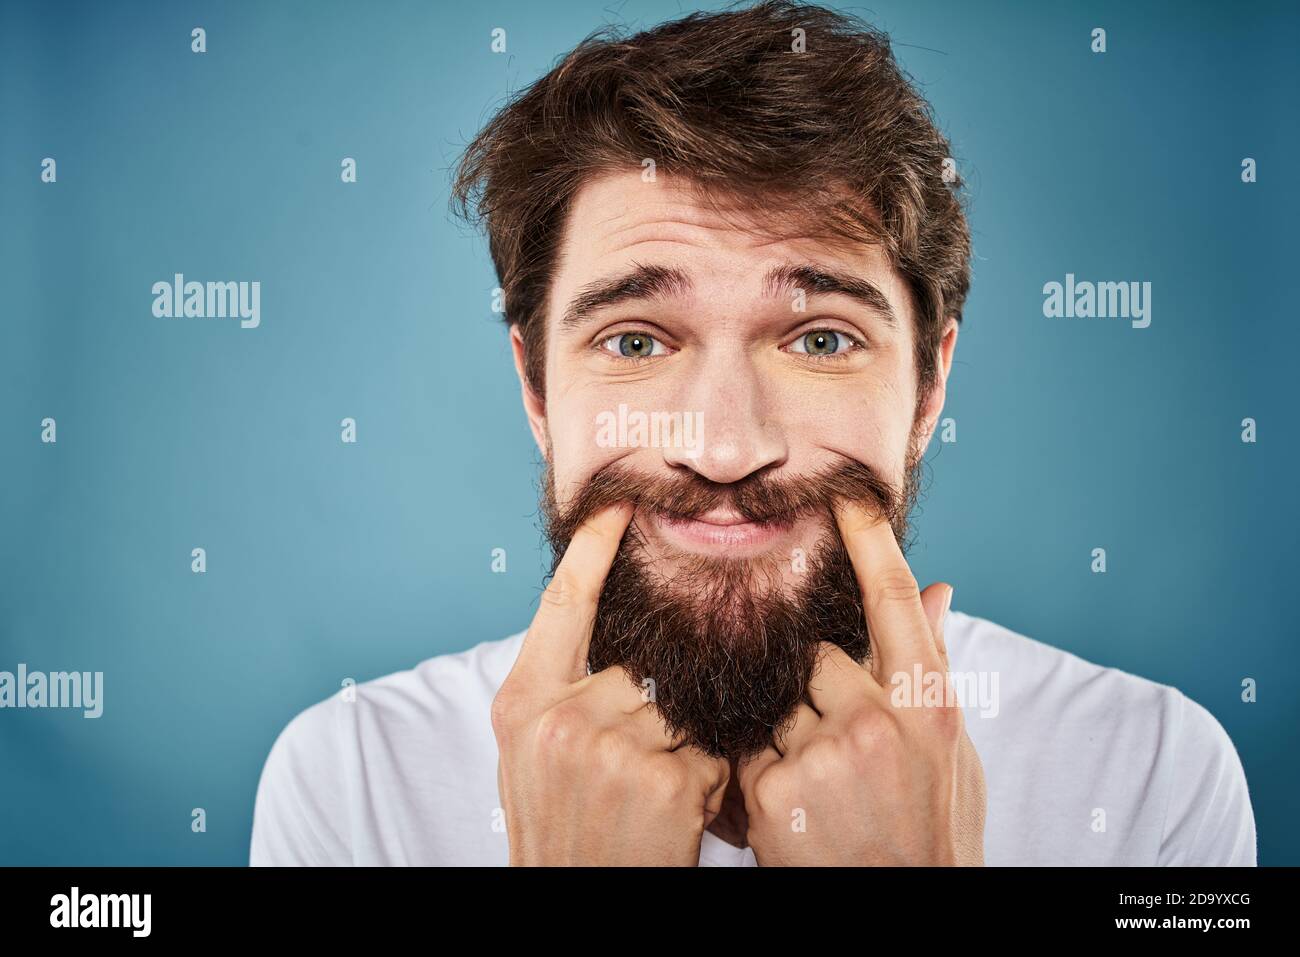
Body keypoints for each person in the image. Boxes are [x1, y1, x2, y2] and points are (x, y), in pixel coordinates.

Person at [250, 0, 1255, 866]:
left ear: (929, 384)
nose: (724, 450)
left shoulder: (1152, 773)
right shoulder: (352, 785)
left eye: (820, 338)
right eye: (636, 341)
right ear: (536, 390)